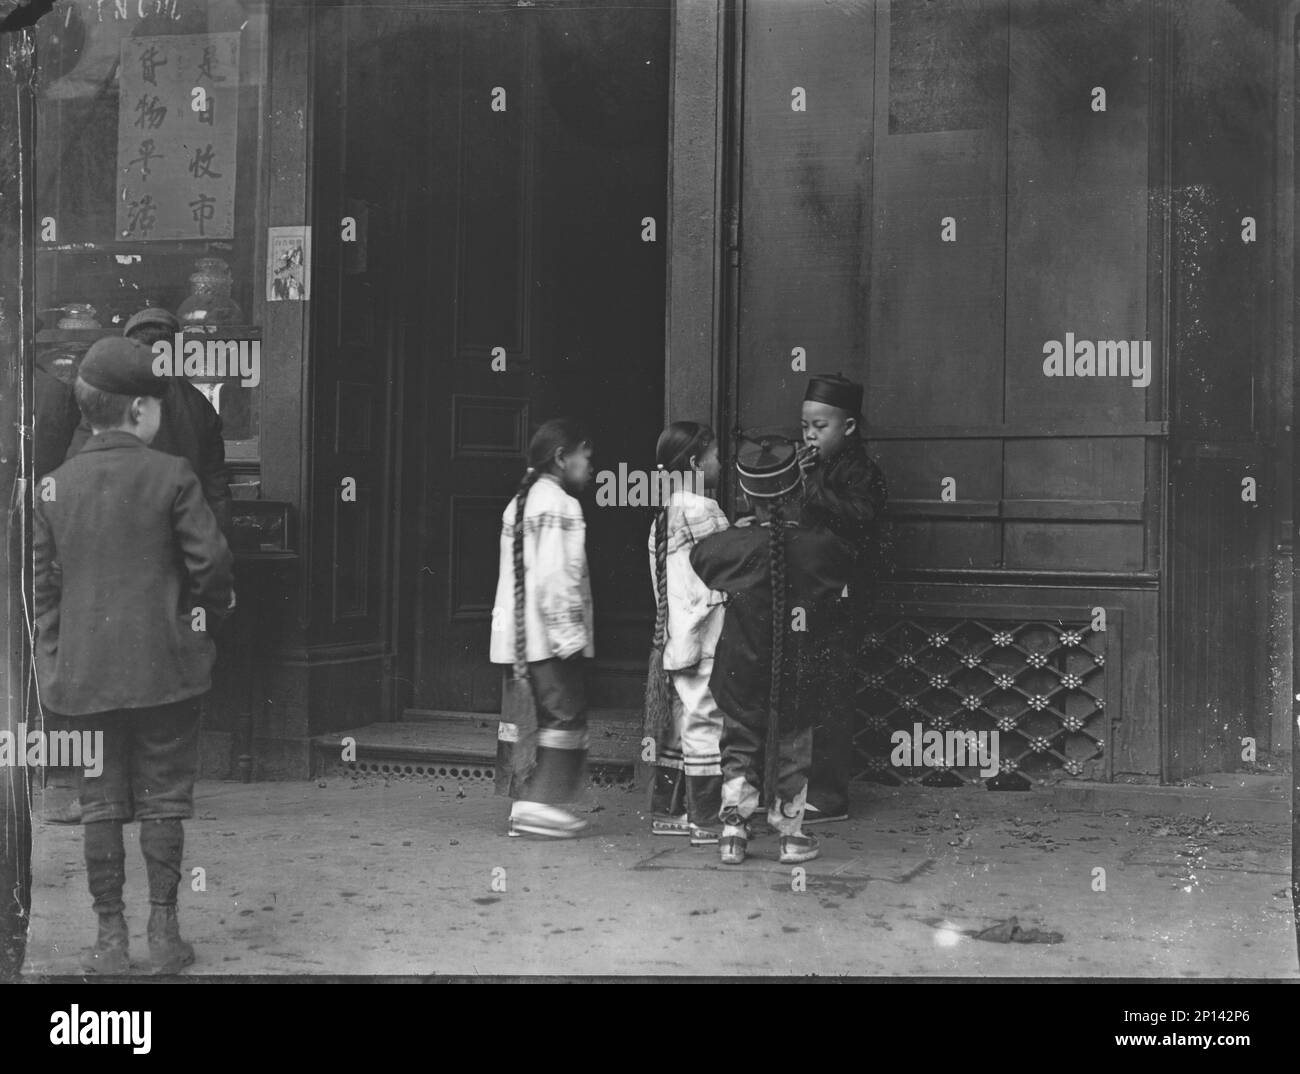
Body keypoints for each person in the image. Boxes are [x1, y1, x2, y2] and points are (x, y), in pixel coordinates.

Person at [33, 337, 234, 974]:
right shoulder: (173, 476)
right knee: (164, 798)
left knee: (100, 802)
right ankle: (166, 933)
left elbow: (42, 587)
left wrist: (54, 658)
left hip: (83, 673)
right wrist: (198, 627)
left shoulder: (53, 487)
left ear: (88, 411)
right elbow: (213, 569)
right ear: (143, 410)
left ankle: (109, 939)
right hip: (166, 669)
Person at [690, 438, 853, 865]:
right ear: (797, 491)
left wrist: (741, 531)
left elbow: (701, 557)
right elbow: (840, 564)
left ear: (745, 495)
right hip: (798, 670)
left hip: (739, 669)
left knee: (739, 745)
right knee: (794, 747)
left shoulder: (731, 548)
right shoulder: (819, 547)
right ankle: (790, 835)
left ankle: (732, 833)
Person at [490, 418, 596, 838]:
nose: (590, 466)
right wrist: (568, 635)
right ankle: (539, 804)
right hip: (547, 638)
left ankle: (524, 804)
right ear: (561, 458)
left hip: (518, 640)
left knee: (527, 716)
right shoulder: (561, 506)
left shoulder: (519, 503)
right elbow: (556, 576)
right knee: (562, 716)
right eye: (586, 456)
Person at [795, 373, 888, 823]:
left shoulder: (863, 473)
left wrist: (810, 485)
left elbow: (859, 519)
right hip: (809, 597)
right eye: (805, 428)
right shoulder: (815, 468)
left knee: (830, 695)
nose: (809, 436)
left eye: (819, 427)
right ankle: (803, 785)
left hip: (842, 600)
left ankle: (829, 796)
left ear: (848, 428)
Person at [68, 307, 232, 536]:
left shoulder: (112, 395)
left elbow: (77, 469)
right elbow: (216, 489)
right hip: (187, 532)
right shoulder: (199, 403)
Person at [644, 422, 728, 845]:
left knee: (681, 722)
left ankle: (669, 809)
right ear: (696, 463)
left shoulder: (665, 514)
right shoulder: (703, 512)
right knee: (705, 724)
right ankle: (705, 819)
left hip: (676, 637)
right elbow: (726, 573)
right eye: (714, 455)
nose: (720, 461)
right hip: (704, 638)